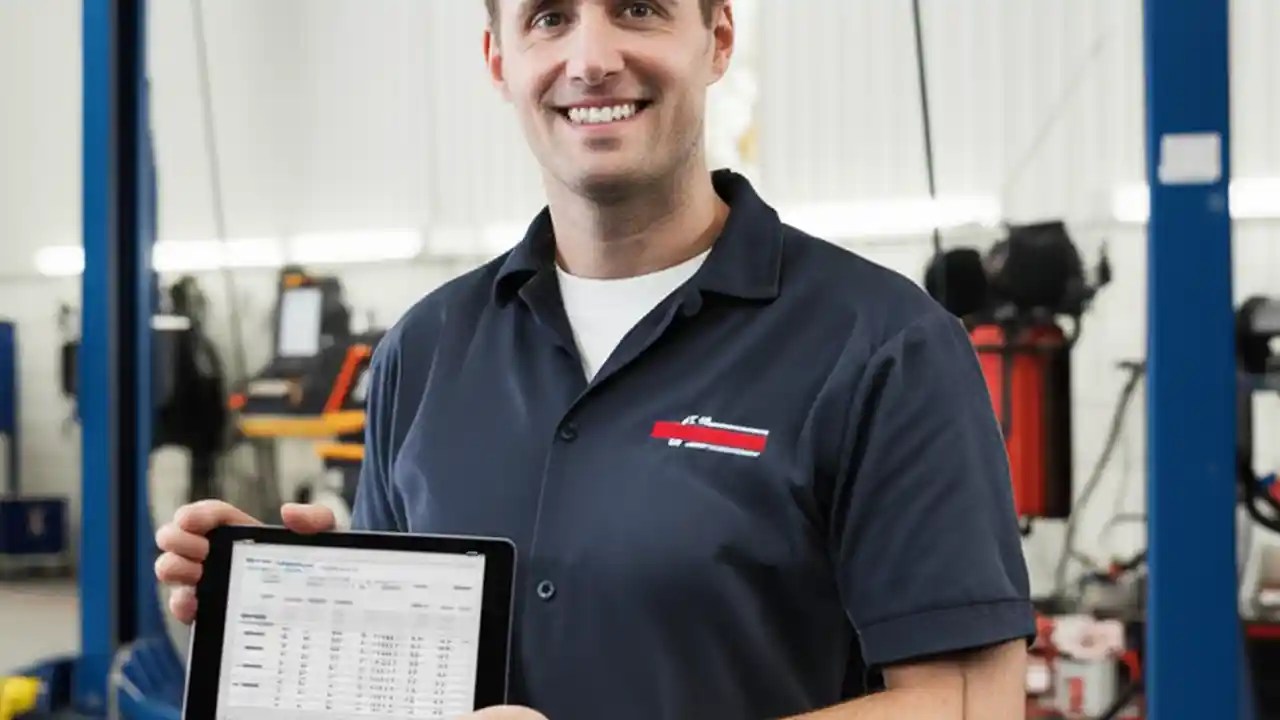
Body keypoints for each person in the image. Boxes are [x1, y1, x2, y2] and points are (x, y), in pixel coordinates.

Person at [156, 1, 1036, 718]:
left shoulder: (884, 346)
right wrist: (296, 609)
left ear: (718, 38)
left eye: (639, 10)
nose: (592, 59)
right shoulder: (424, 351)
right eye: (549, 18)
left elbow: (971, 702)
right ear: (499, 60)